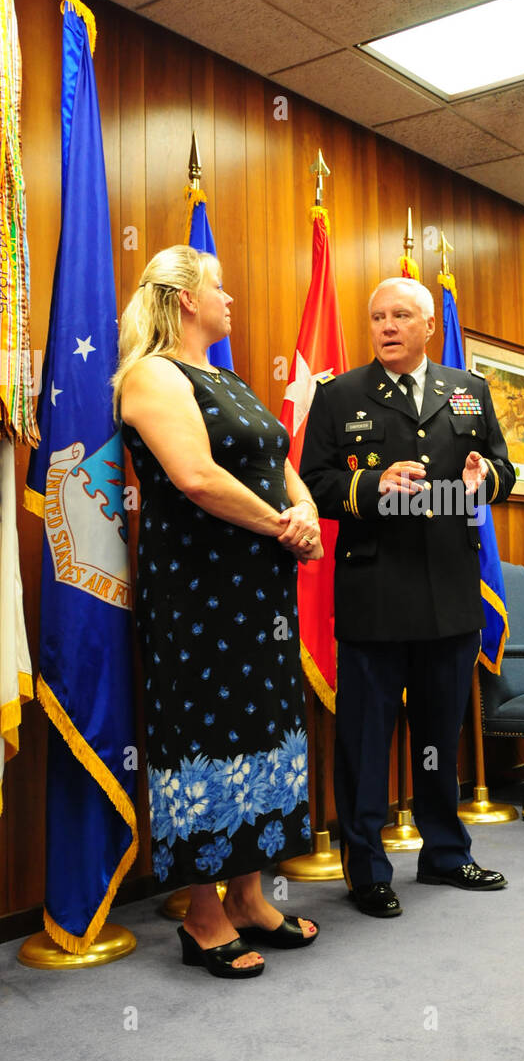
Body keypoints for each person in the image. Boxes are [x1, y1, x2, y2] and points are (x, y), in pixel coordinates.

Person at [114, 245, 323, 978]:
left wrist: (304, 512)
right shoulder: (150, 375)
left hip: (259, 590)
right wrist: (281, 525)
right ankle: (202, 917)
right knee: (203, 738)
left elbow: (279, 461)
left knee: (263, 734)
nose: (230, 299)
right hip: (198, 595)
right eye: (219, 287)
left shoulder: (227, 376)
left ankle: (249, 898)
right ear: (182, 300)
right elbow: (198, 478)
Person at [300, 277, 515, 916]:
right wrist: (372, 484)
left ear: (428, 325)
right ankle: (367, 869)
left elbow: (501, 467)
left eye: (400, 316)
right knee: (366, 740)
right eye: (377, 317)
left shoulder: (468, 391)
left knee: (438, 733)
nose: (387, 326)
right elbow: (313, 482)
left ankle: (446, 853)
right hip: (374, 590)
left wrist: (487, 478)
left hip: (450, 589)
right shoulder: (339, 395)